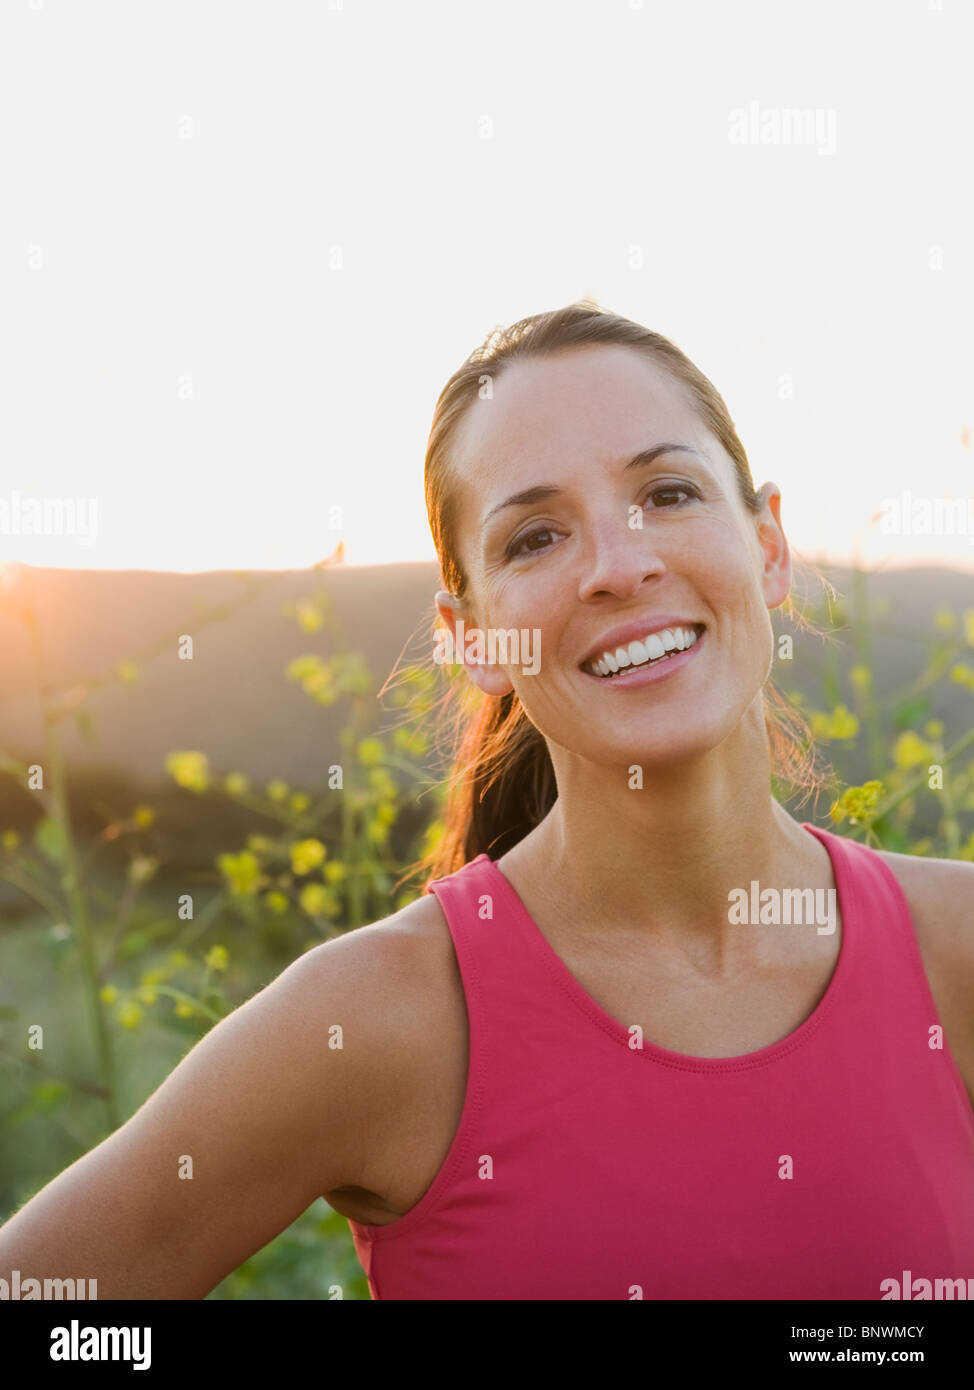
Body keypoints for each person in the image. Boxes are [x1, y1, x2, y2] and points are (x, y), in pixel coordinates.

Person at [2, 302, 973, 1301]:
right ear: (470, 635)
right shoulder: (379, 1018)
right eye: (536, 536)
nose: (617, 565)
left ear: (767, 544)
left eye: (668, 491)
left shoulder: (956, 950)